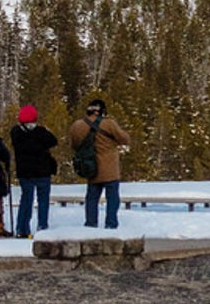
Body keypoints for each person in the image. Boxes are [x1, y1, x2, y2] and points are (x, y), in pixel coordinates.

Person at [70, 99, 131, 228]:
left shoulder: (77, 125)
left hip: (91, 167)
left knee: (92, 199)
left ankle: (91, 224)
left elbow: (74, 145)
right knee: (112, 199)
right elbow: (125, 139)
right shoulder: (109, 124)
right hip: (110, 169)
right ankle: (111, 224)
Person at [9, 104, 61, 236]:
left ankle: (22, 228)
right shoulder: (41, 132)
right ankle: (42, 226)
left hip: (25, 172)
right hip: (42, 171)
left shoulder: (16, 132)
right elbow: (54, 141)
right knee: (43, 200)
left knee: (26, 199)